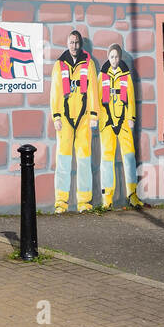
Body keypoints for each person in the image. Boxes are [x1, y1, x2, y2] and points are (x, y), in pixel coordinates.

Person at [50, 29, 98, 213]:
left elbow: (93, 88)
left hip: (84, 119)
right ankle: (61, 202)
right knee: (63, 160)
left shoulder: (89, 64)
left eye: (77, 43)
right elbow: (55, 92)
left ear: (81, 44)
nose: (74, 46)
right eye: (71, 42)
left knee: (84, 160)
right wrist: (55, 116)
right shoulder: (59, 65)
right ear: (67, 43)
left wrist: (94, 115)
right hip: (64, 119)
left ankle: (84, 202)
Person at [98, 44, 142, 209]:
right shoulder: (102, 75)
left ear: (120, 57)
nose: (114, 60)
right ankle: (106, 198)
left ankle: (132, 194)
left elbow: (130, 97)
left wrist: (131, 117)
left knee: (129, 157)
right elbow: (97, 98)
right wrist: (99, 118)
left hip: (123, 121)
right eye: (111, 57)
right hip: (107, 122)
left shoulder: (126, 75)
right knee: (107, 159)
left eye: (116, 57)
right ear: (108, 58)